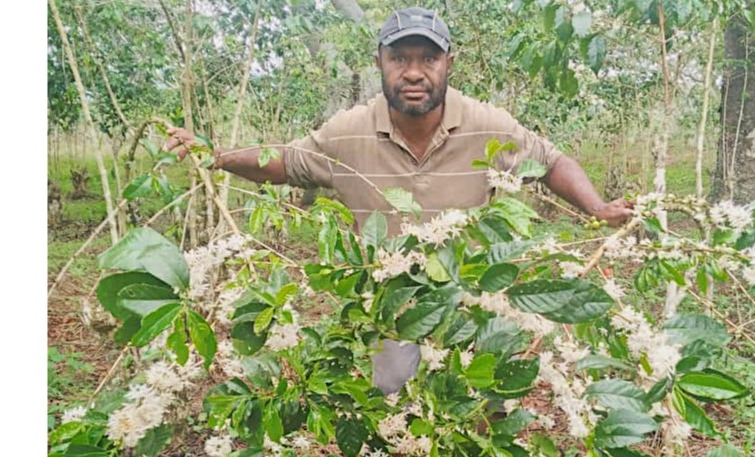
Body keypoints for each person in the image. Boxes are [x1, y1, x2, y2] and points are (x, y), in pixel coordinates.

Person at [165, 6, 632, 394]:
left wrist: (597, 207)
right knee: (390, 410)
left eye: (427, 59)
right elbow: (286, 162)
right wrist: (219, 156)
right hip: (388, 310)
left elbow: (550, 161)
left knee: (481, 403)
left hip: (471, 301)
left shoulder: (490, 126)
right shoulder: (347, 132)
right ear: (380, 63)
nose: (413, 72)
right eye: (399, 58)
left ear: (449, 63)